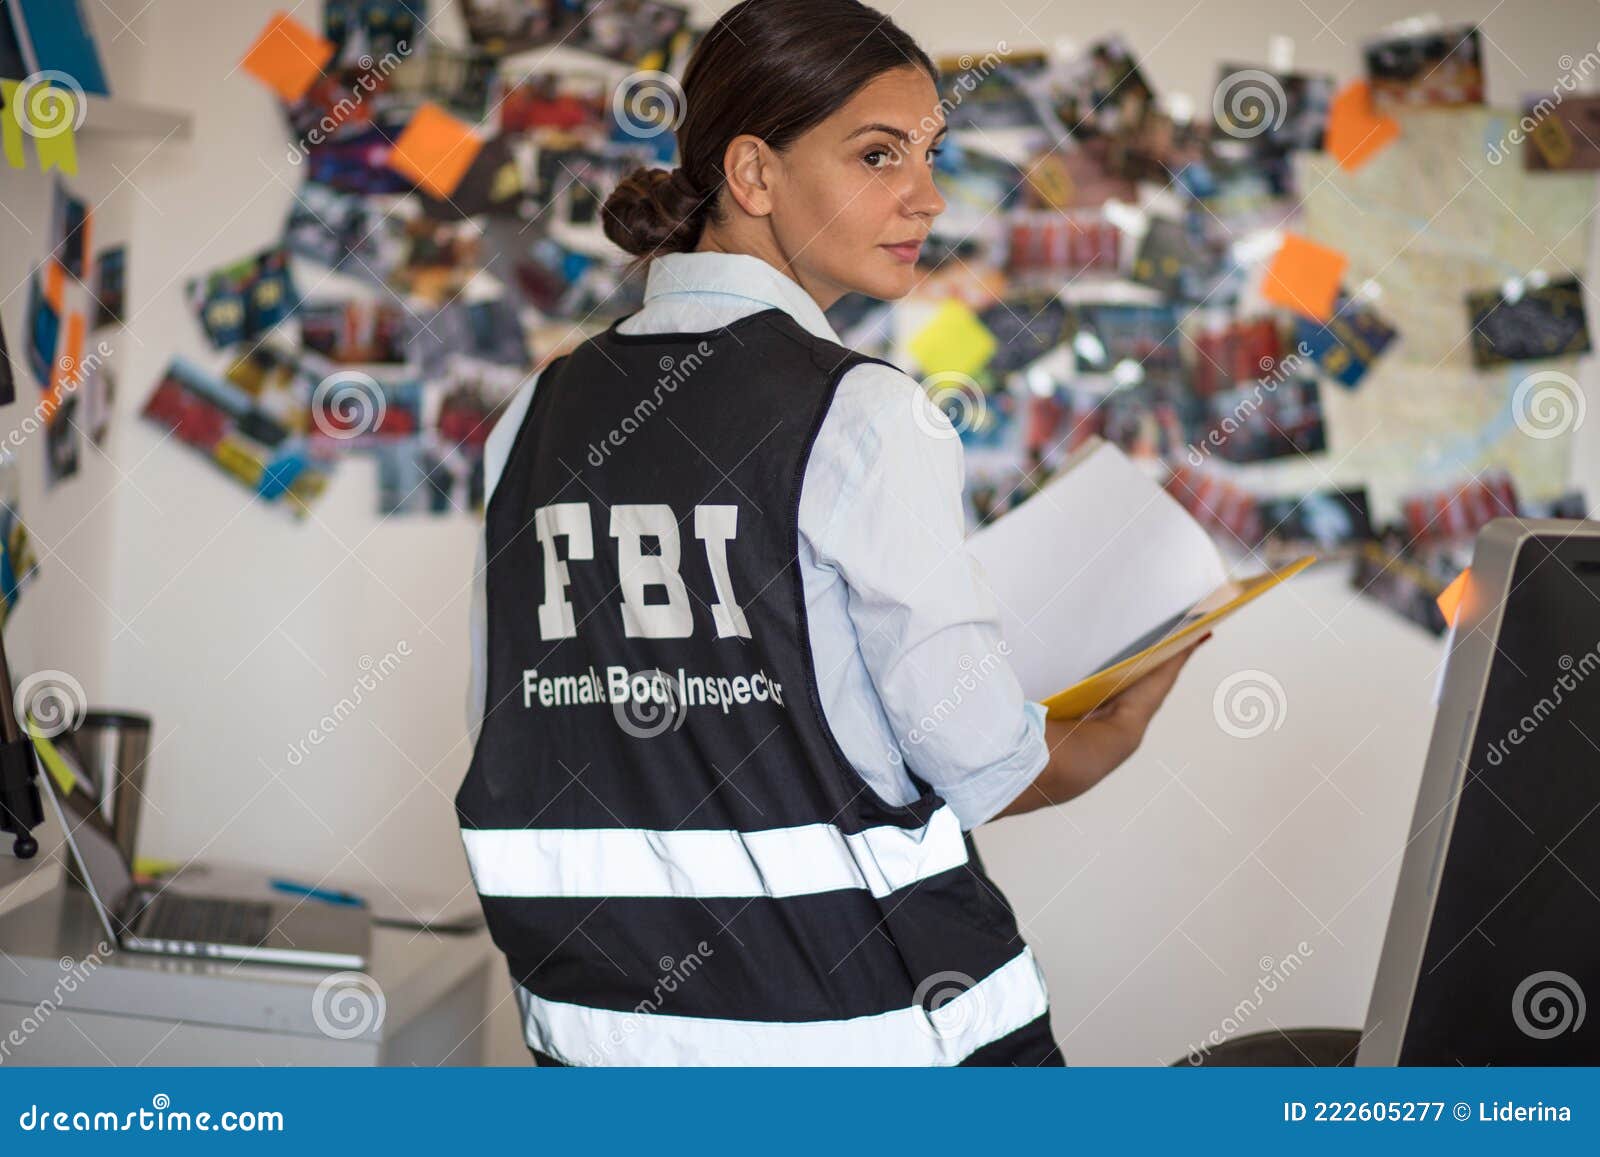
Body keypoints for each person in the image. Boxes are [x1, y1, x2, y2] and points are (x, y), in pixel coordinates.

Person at [455, 0, 1203, 1067]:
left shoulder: (533, 415)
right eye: (878, 153)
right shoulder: (858, 412)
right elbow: (981, 756)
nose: (928, 196)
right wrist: (1117, 726)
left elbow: (524, 741)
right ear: (753, 175)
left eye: (929, 154)